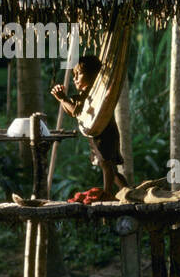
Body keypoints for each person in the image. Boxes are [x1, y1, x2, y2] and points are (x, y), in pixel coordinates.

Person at [51, 54, 127, 199]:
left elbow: (76, 111)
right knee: (111, 168)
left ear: (93, 75)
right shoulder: (87, 92)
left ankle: (107, 193)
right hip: (101, 132)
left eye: (78, 74)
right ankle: (127, 190)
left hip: (104, 132)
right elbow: (72, 109)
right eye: (74, 75)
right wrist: (62, 99)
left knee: (106, 164)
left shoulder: (94, 91)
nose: (75, 78)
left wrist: (64, 98)